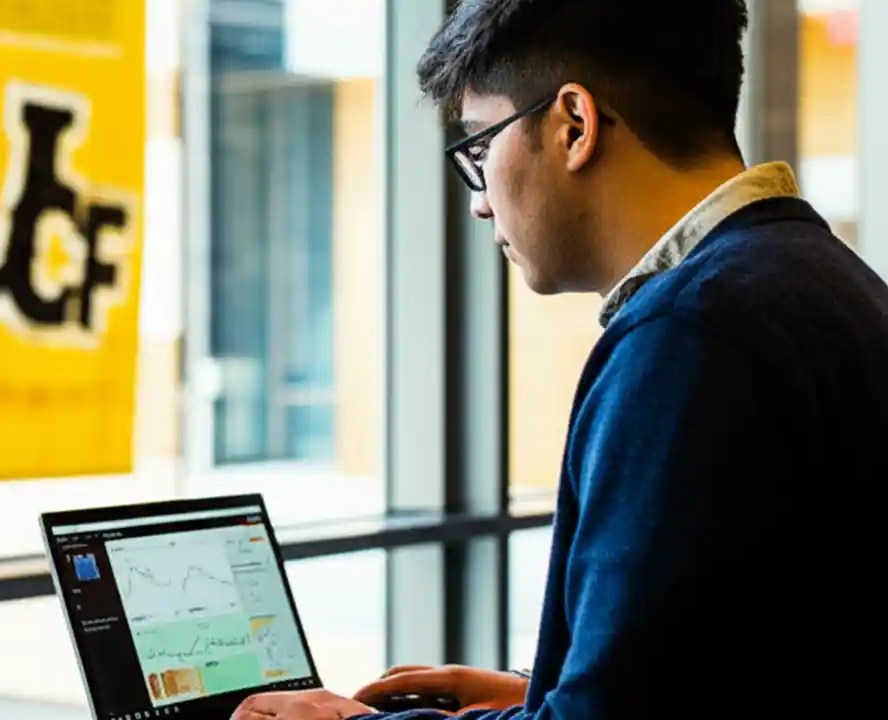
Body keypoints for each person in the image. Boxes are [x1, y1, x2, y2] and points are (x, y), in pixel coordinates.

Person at [232, 0, 886, 718]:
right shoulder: (820, 279)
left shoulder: (691, 334)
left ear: (573, 125)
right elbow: (752, 653)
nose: (480, 205)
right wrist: (542, 689)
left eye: (480, 148)